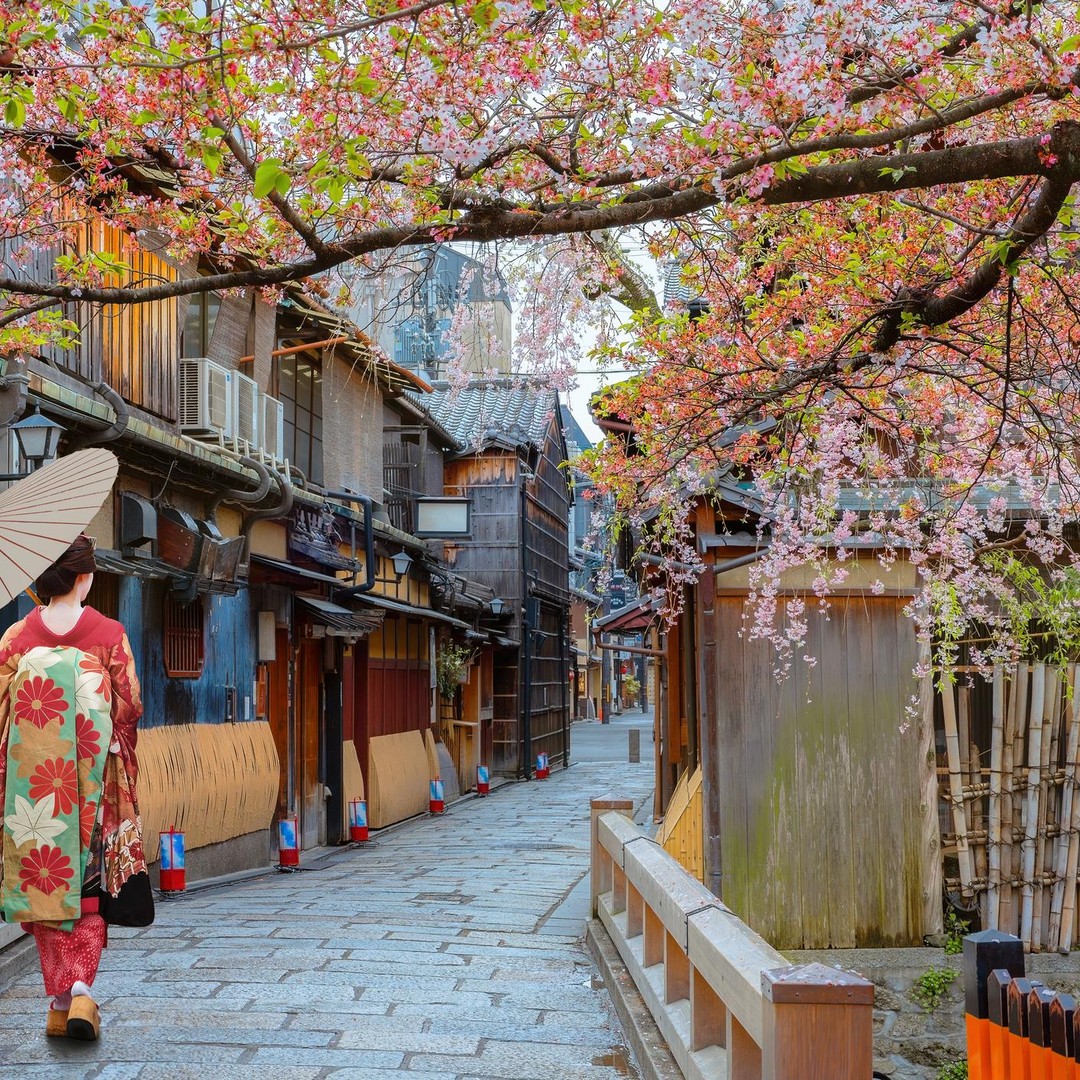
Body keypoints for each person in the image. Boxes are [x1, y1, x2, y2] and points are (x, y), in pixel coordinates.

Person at [0, 534, 143, 1041]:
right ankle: (81, 990)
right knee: (85, 885)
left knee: (42, 882)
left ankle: (60, 1000)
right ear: (85, 577)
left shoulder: (17, 639)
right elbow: (129, 707)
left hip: (33, 789)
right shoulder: (108, 634)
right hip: (90, 790)